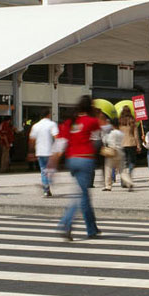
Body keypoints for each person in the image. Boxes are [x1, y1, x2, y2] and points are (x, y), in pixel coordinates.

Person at [55, 96, 102, 241]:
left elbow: (60, 144)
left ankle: (92, 229)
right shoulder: (92, 121)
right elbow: (99, 138)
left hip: (71, 160)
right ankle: (66, 222)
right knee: (81, 196)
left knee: (84, 195)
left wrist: (53, 162)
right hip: (85, 159)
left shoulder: (70, 122)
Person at [29, 112, 58, 198]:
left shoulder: (36, 126)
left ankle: (46, 189)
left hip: (40, 152)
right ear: (48, 115)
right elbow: (57, 136)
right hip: (50, 151)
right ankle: (48, 183)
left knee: (43, 170)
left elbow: (31, 140)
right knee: (51, 169)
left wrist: (30, 152)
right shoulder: (52, 124)